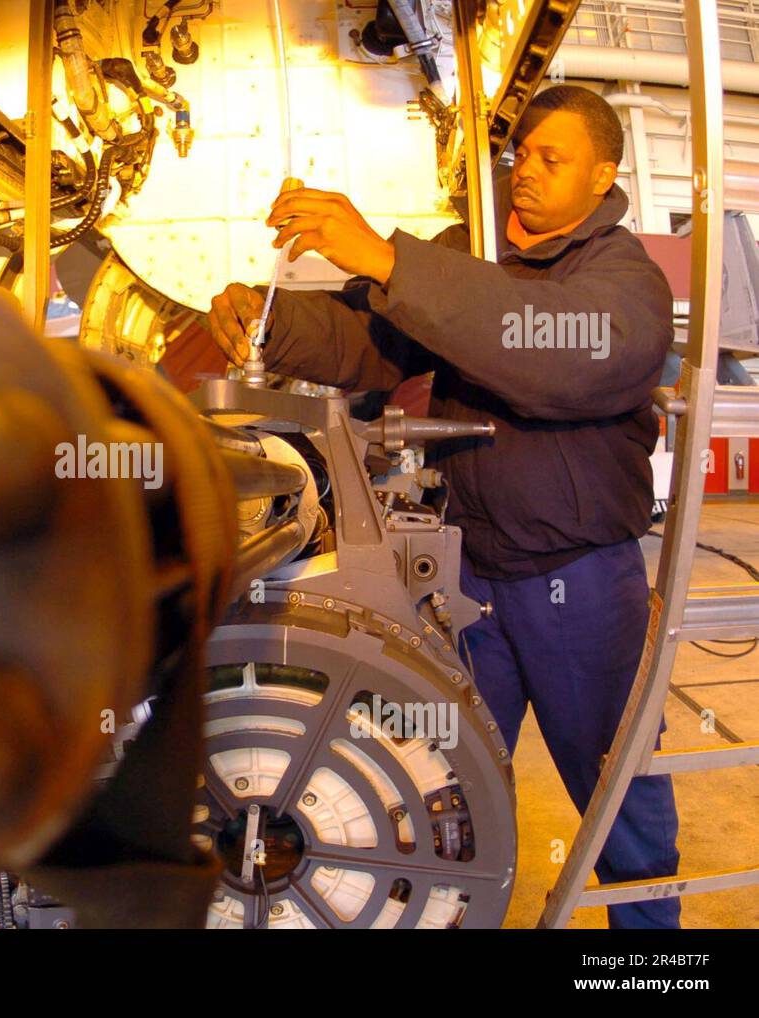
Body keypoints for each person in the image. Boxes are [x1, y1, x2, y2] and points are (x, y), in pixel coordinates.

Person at [206, 84, 681, 929]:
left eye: (551, 158)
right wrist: (271, 321)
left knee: (614, 787)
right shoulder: (476, 256)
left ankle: (648, 955)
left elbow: (551, 348)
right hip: (472, 585)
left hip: (577, 586)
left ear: (604, 174)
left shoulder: (621, 278)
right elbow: (373, 340)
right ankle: (443, 911)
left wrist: (390, 257)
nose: (525, 171)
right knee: (437, 776)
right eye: (520, 154)